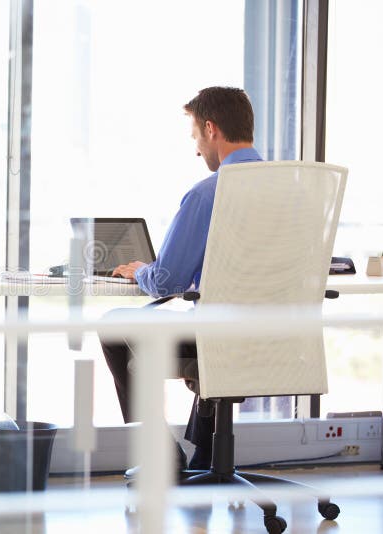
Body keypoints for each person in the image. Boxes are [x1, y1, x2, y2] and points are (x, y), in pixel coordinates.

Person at [100, 86, 263, 471]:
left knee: (114, 328)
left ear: (211, 129)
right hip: (280, 336)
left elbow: (167, 280)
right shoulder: (292, 191)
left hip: (220, 337)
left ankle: (163, 457)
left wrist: (140, 270)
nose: (196, 149)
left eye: (195, 137)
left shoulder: (208, 195)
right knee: (204, 332)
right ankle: (206, 454)